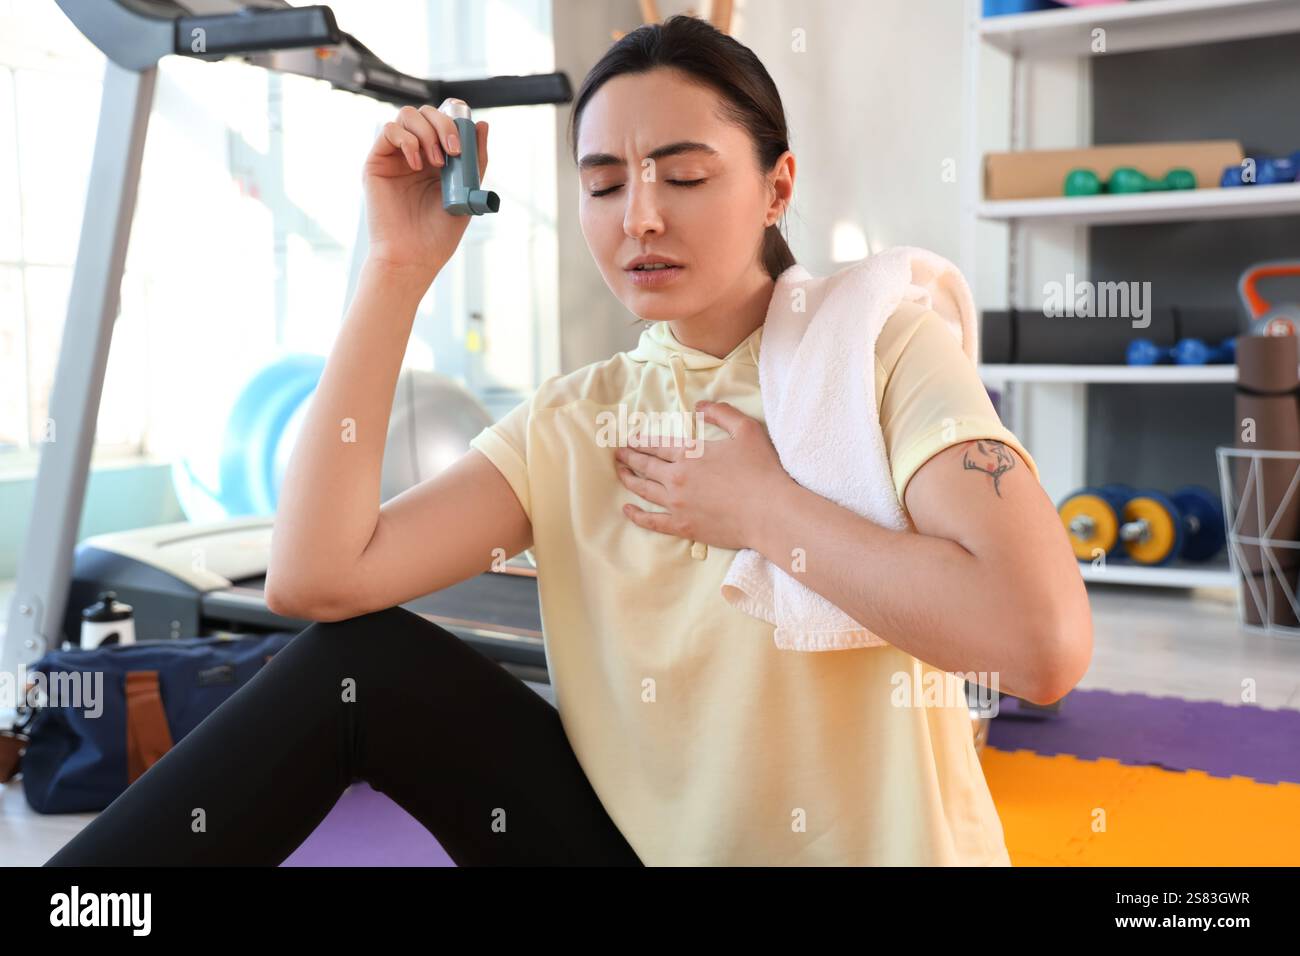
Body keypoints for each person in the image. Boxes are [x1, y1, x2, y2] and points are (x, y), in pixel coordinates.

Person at [46, 15, 1091, 868]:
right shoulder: (576, 417)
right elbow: (313, 577)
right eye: (602, 183)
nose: (638, 217)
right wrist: (395, 270)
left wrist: (766, 509)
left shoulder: (883, 348)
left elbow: (1043, 646)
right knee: (358, 664)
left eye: (682, 176)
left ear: (777, 186)